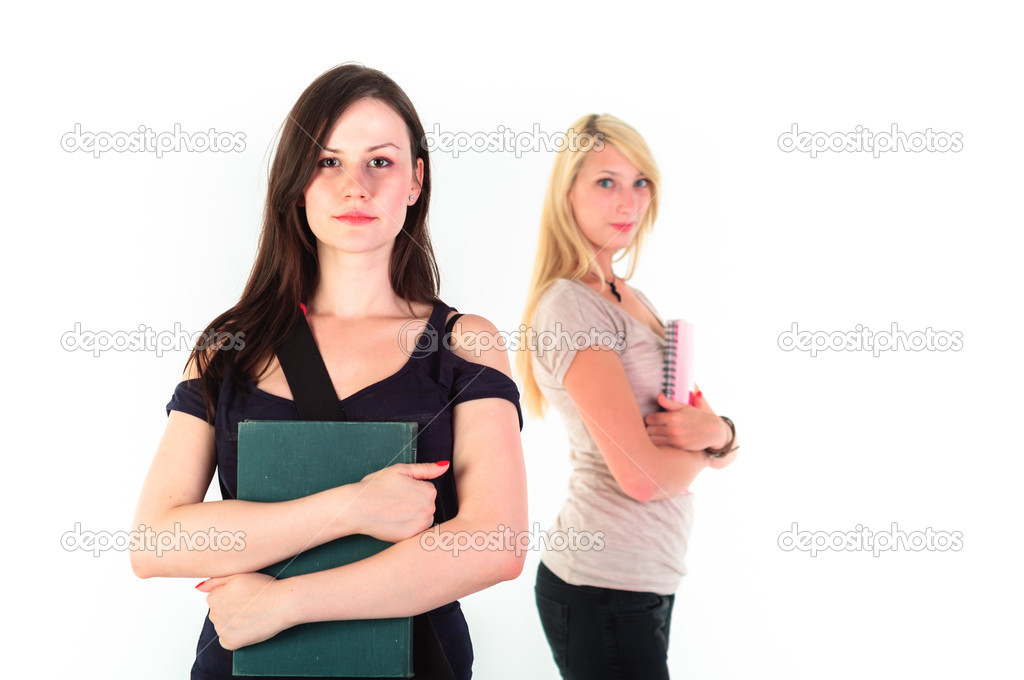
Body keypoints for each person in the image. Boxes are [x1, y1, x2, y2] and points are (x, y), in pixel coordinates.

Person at [130, 63, 527, 680]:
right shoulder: (229, 347)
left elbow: (496, 543)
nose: (355, 187)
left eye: (380, 162)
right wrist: (353, 508)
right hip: (247, 662)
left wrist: (283, 602)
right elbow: (155, 541)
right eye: (327, 162)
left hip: (414, 662)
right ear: (297, 184)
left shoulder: (465, 344)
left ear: (416, 179)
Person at [518, 113, 739, 679]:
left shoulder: (631, 298)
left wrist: (721, 435)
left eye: (641, 182)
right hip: (603, 581)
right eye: (606, 181)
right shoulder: (572, 306)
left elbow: (706, 423)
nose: (629, 202)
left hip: (647, 576)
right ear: (567, 192)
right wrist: (711, 442)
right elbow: (640, 477)